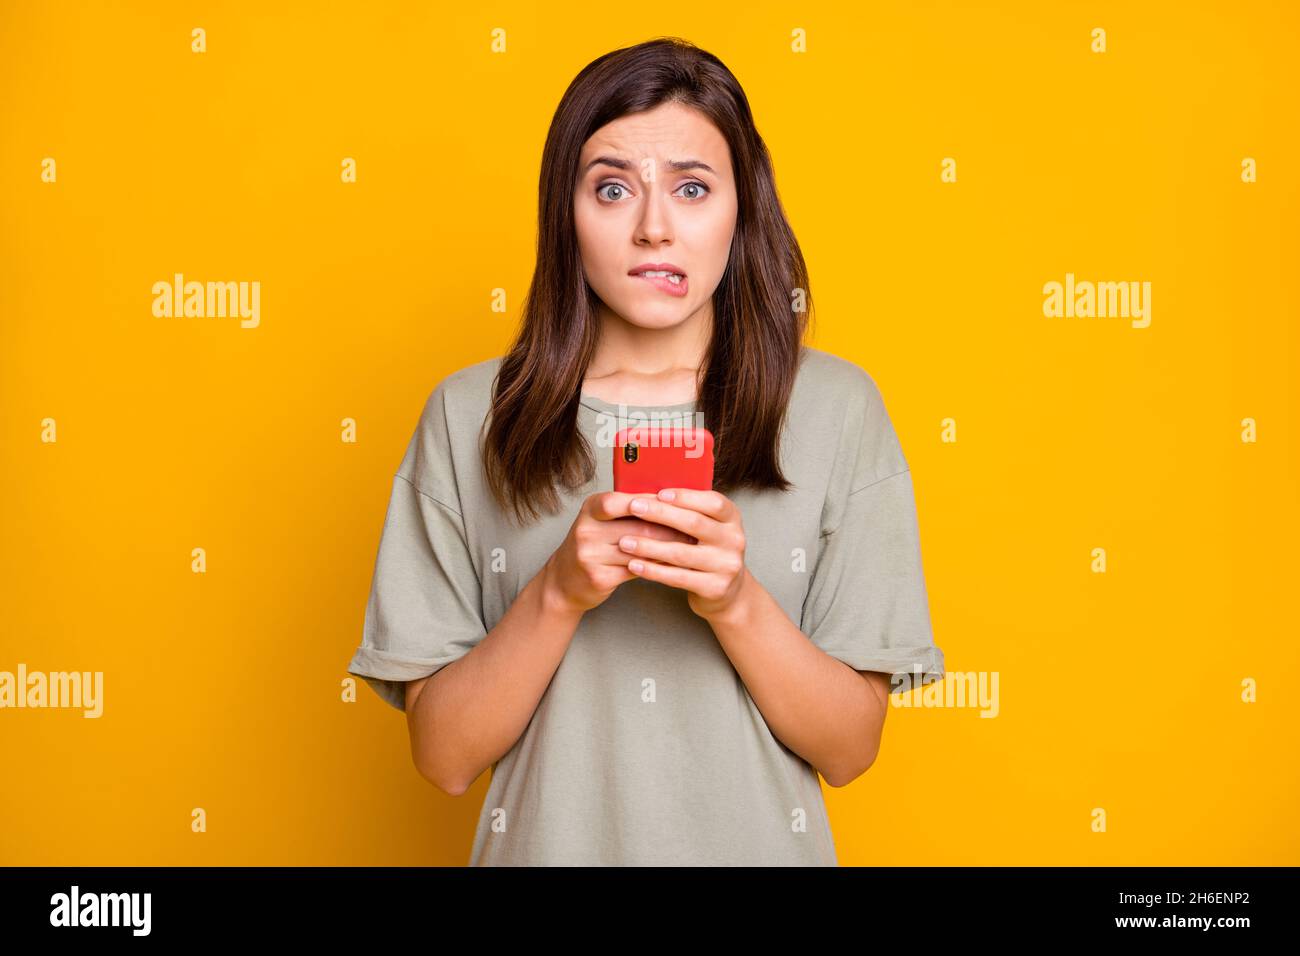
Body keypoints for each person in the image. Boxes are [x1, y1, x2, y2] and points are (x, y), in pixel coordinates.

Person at [346, 36, 944, 866]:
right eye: (613, 188)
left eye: (692, 189)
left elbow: (850, 751)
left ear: (742, 209)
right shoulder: (469, 416)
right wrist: (557, 591)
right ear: (566, 210)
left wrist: (734, 599)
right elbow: (443, 759)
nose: (654, 228)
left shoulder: (838, 410)